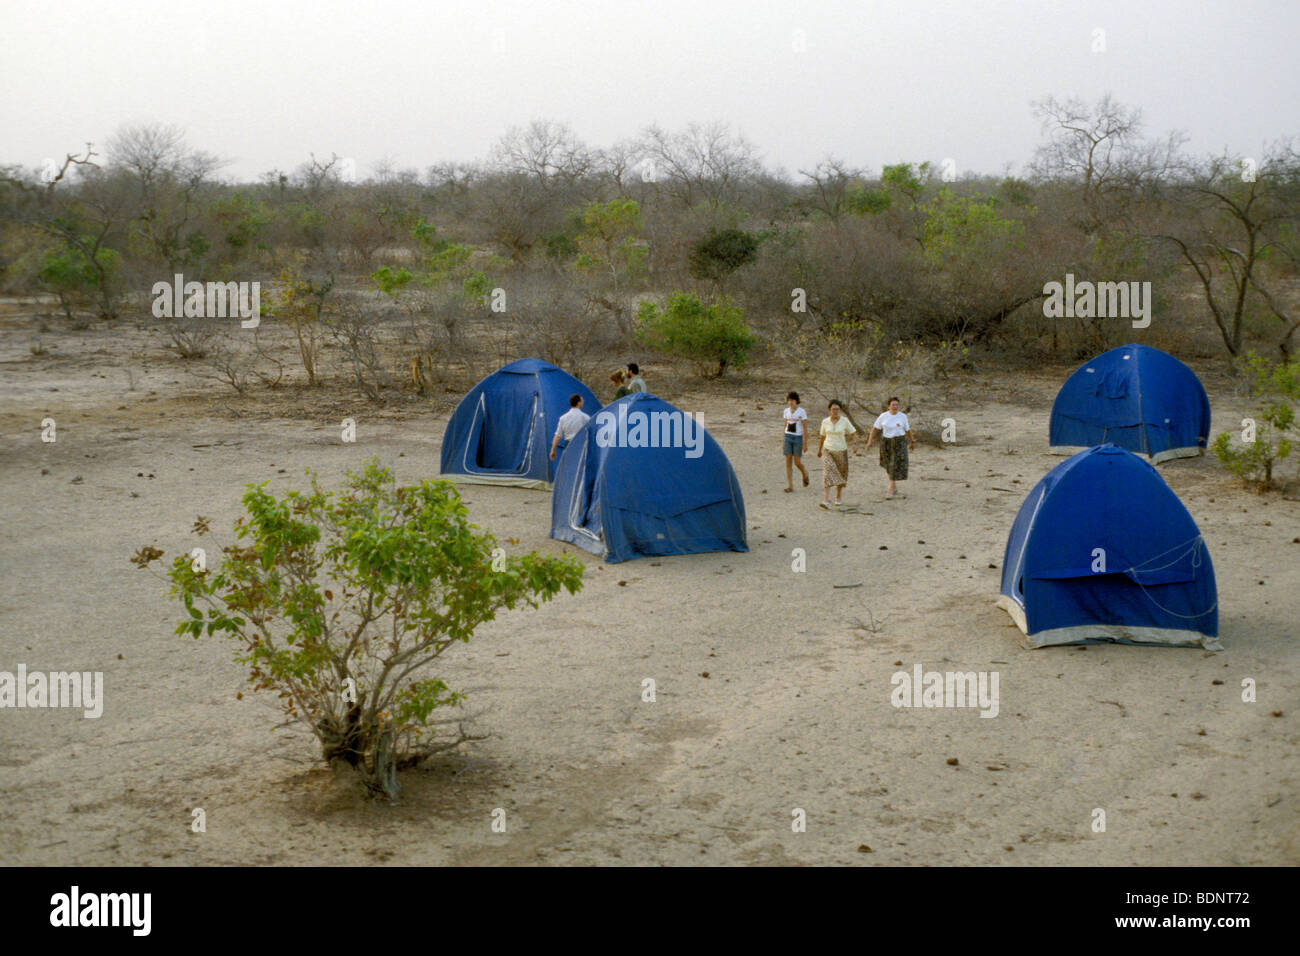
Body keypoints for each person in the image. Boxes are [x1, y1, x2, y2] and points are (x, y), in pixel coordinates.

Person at [863, 396, 916, 500]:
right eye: (893, 405)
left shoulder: (902, 416)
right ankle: (894, 486)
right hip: (886, 442)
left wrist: (912, 441)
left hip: (899, 442)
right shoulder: (883, 416)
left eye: (897, 405)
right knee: (888, 464)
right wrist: (870, 441)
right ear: (888, 406)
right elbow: (875, 429)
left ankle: (890, 489)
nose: (895, 406)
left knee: (895, 464)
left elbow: (908, 430)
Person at [816, 399, 859, 508]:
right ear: (829, 410)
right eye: (833, 409)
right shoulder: (825, 422)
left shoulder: (844, 421)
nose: (835, 411)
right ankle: (825, 500)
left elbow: (853, 433)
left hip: (841, 450)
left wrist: (855, 444)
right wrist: (819, 449)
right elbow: (822, 436)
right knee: (827, 472)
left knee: (840, 473)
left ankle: (838, 497)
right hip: (828, 449)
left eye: (837, 409)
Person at [781, 391, 809, 492]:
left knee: (797, 462)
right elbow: (785, 425)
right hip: (788, 437)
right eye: (789, 400)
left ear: (796, 401)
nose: (790, 402)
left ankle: (804, 473)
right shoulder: (786, 411)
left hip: (797, 437)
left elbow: (805, 428)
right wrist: (783, 440)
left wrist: (805, 443)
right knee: (788, 461)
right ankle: (790, 486)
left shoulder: (801, 412)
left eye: (792, 400)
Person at [549, 393, 590, 461]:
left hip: (568, 445)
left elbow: (558, 435)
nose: (583, 403)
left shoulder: (563, 418)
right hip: (581, 445)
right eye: (582, 401)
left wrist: (553, 450)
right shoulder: (585, 417)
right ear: (578, 403)